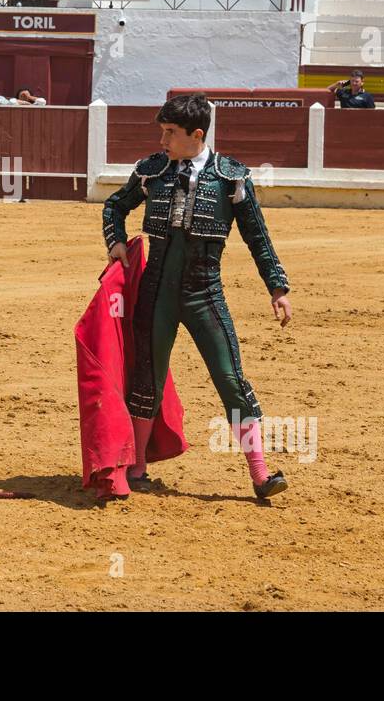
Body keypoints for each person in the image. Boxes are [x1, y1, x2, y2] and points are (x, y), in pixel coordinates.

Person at [102, 92, 291, 501]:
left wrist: (276, 286)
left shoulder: (230, 176)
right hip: (156, 292)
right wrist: (115, 242)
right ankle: (136, 469)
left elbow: (257, 234)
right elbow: (115, 206)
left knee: (230, 378)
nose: (162, 141)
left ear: (197, 134)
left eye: (170, 133)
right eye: (162, 132)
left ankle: (260, 475)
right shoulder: (152, 171)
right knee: (146, 379)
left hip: (205, 293)